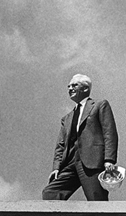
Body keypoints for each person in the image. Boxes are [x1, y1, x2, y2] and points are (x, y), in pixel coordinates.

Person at [42, 73, 119, 201]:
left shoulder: (100, 105)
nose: (70, 88)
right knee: (50, 193)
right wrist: (56, 168)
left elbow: (109, 133)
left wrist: (109, 160)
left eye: (74, 85)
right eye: (68, 86)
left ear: (85, 89)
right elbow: (60, 145)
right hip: (70, 163)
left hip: (92, 161)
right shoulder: (66, 119)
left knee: (96, 198)